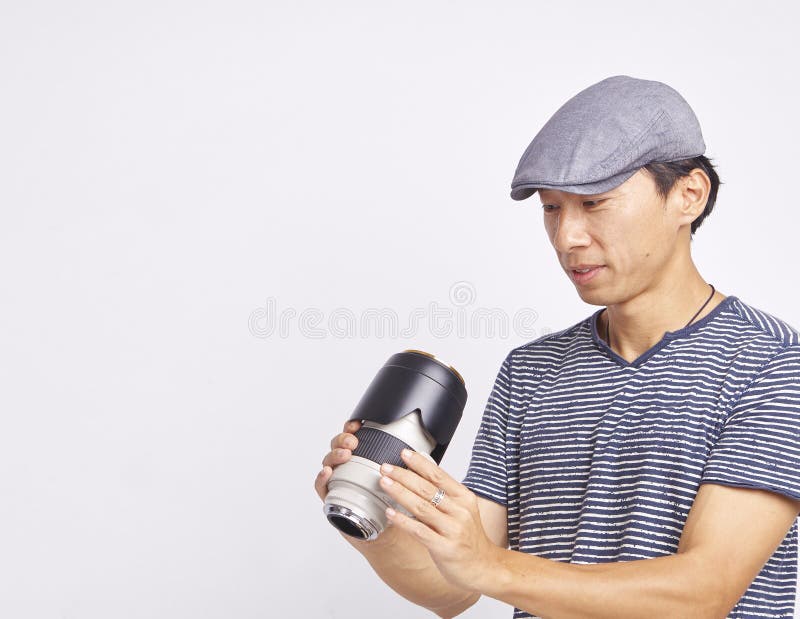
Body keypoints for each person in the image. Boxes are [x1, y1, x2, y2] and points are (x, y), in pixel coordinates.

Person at [314, 75, 800, 618]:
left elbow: (701, 593)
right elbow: (454, 587)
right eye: (552, 209)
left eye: (594, 204)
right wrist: (374, 517)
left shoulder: (771, 363)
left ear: (689, 195)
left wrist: (487, 565)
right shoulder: (532, 371)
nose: (567, 237)